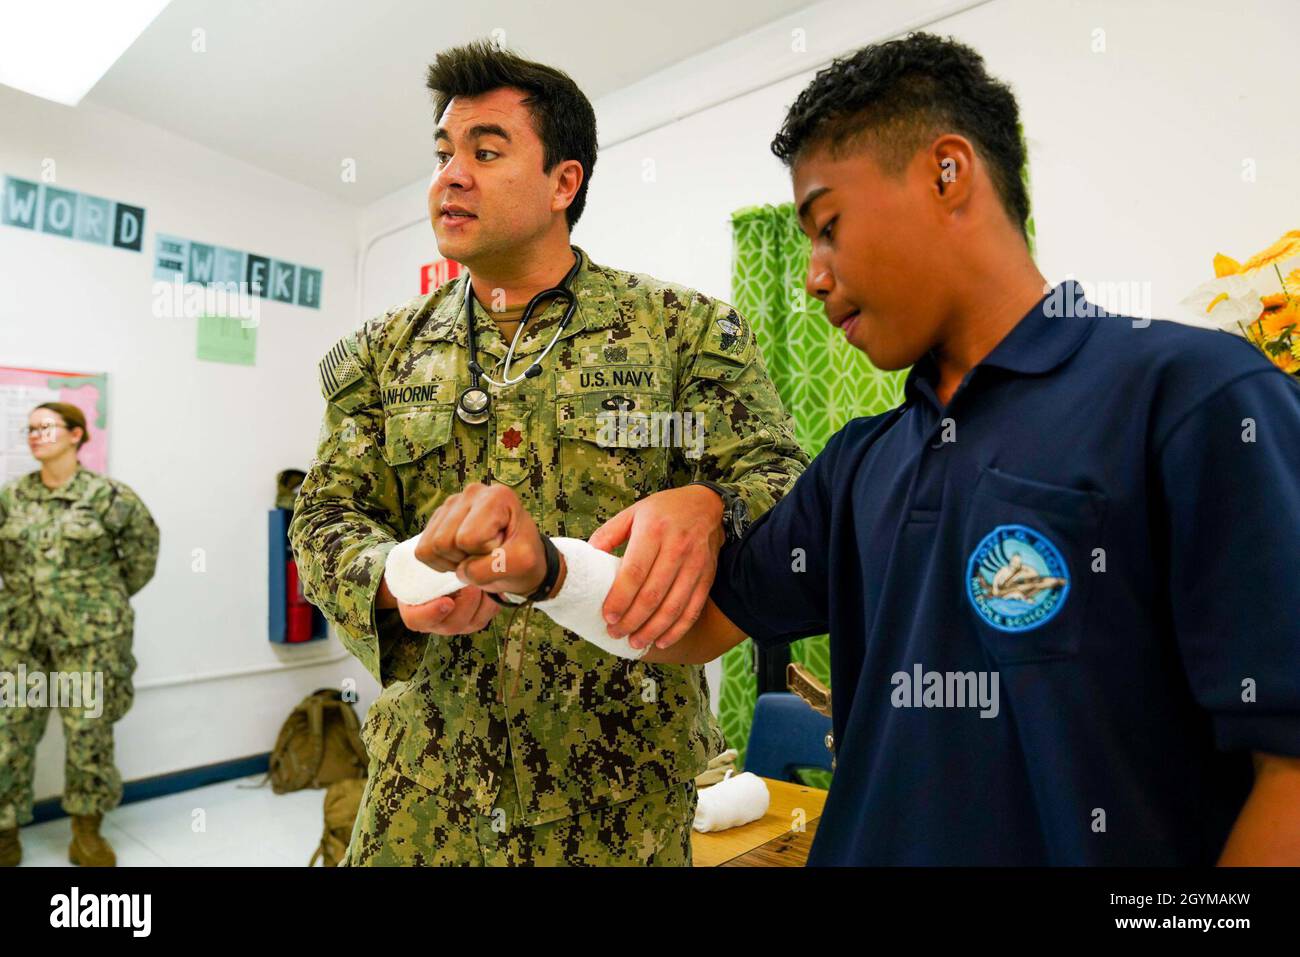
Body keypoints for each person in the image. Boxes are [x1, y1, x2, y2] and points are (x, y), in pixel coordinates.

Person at [415, 33, 1300, 866]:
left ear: (947, 174)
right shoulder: (861, 464)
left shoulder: (1190, 398)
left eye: (828, 224)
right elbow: (686, 624)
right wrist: (543, 573)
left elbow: (1288, 774)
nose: (811, 273)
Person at [289, 41, 808, 866]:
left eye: (485, 152)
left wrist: (714, 506)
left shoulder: (685, 331)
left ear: (564, 182)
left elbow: (785, 481)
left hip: (618, 796)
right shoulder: (382, 354)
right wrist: (398, 579)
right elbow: (321, 515)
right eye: (442, 154)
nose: (450, 175)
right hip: (425, 789)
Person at [0, 403, 159, 867]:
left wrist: (98, 602)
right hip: (21, 640)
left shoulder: (109, 497)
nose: (35, 436)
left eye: (45, 427)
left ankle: (86, 833)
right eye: (30, 429)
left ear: (75, 434)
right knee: (8, 735)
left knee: (88, 735)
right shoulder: (11, 498)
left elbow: (142, 554)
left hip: (87, 642)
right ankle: (6, 833)